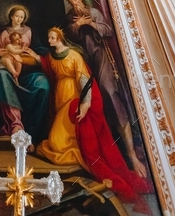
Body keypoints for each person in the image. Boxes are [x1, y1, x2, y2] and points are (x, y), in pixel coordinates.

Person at [30, 28, 153, 212]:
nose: (49, 40)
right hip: (59, 94)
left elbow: (84, 79)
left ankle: (77, 150)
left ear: (60, 38)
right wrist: (36, 57)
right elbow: (49, 66)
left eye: (52, 37)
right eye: (48, 37)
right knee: (64, 129)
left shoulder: (73, 55)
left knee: (70, 129)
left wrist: (85, 102)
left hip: (73, 95)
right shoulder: (52, 55)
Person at [65, 0, 148, 178]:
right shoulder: (71, 18)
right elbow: (70, 35)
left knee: (109, 94)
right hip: (83, 59)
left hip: (101, 55)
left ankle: (131, 154)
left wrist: (90, 23)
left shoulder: (93, 12)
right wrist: (77, 25)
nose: (75, 3)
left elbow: (108, 30)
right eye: (71, 1)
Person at [0, 6, 50, 141]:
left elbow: (39, 49)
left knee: (43, 84)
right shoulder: (3, 32)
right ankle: (15, 124)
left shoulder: (30, 32)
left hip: (27, 69)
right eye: (17, 16)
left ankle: (32, 132)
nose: (19, 19)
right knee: (0, 76)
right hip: (5, 67)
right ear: (11, 17)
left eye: (22, 17)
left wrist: (35, 56)